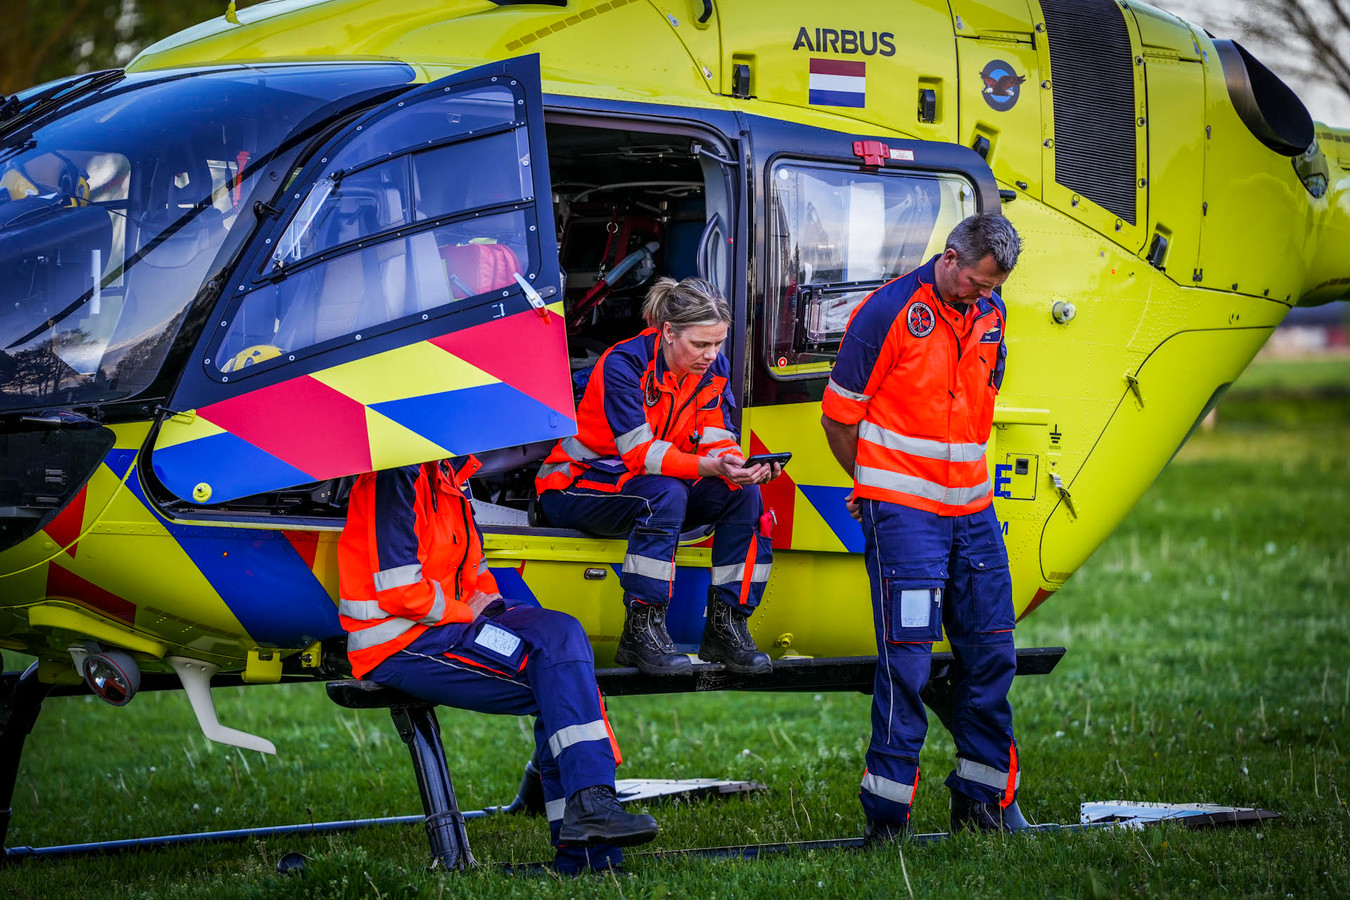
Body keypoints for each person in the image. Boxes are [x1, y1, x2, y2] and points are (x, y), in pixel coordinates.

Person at [337, 456, 658, 874]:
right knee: (563, 684)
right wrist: (467, 613)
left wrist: (489, 608)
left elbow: (472, 571)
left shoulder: (451, 477)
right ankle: (587, 844)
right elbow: (399, 591)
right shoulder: (395, 476)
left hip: (454, 623)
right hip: (400, 641)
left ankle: (590, 814)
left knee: (560, 635)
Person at [819, 213, 1029, 838]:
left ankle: (982, 801)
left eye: (993, 287)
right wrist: (872, 486)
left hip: (974, 511)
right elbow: (838, 417)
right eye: (976, 281)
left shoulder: (992, 315)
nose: (983, 295)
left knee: (993, 653)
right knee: (907, 665)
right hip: (904, 515)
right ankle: (887, 819)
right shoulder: (887, 312)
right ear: (949, 258)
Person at [536, 277, 782, 676]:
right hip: (571, 485)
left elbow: (718, 437)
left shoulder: (713, 369)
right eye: (700, 344)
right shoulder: (623, 364)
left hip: (642, 485)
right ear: (668, 332)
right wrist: (707, 466)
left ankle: (727, 626)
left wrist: (736, 466)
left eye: (717, 343)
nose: (711, 354)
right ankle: (642, 631)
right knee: (665, 495)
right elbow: (640, 453)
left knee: (743, 496)